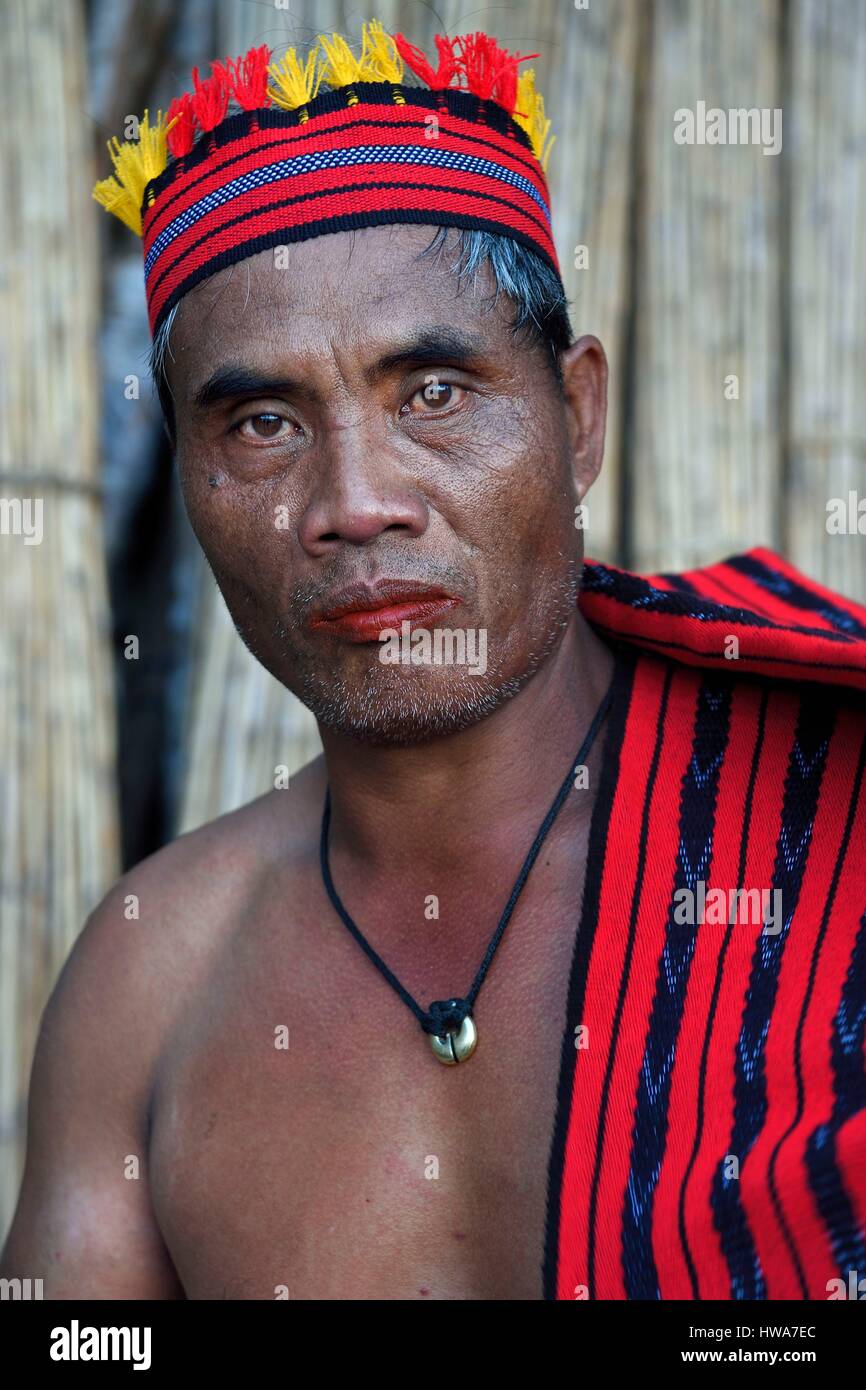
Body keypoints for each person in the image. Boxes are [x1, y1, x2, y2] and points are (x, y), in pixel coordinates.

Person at [3, 22, 865, 1301]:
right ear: (185, 476)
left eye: (435, 395)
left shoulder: (828, 824)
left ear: (575, 418)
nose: (355, 500)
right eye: (262, 420)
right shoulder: (151, 982)